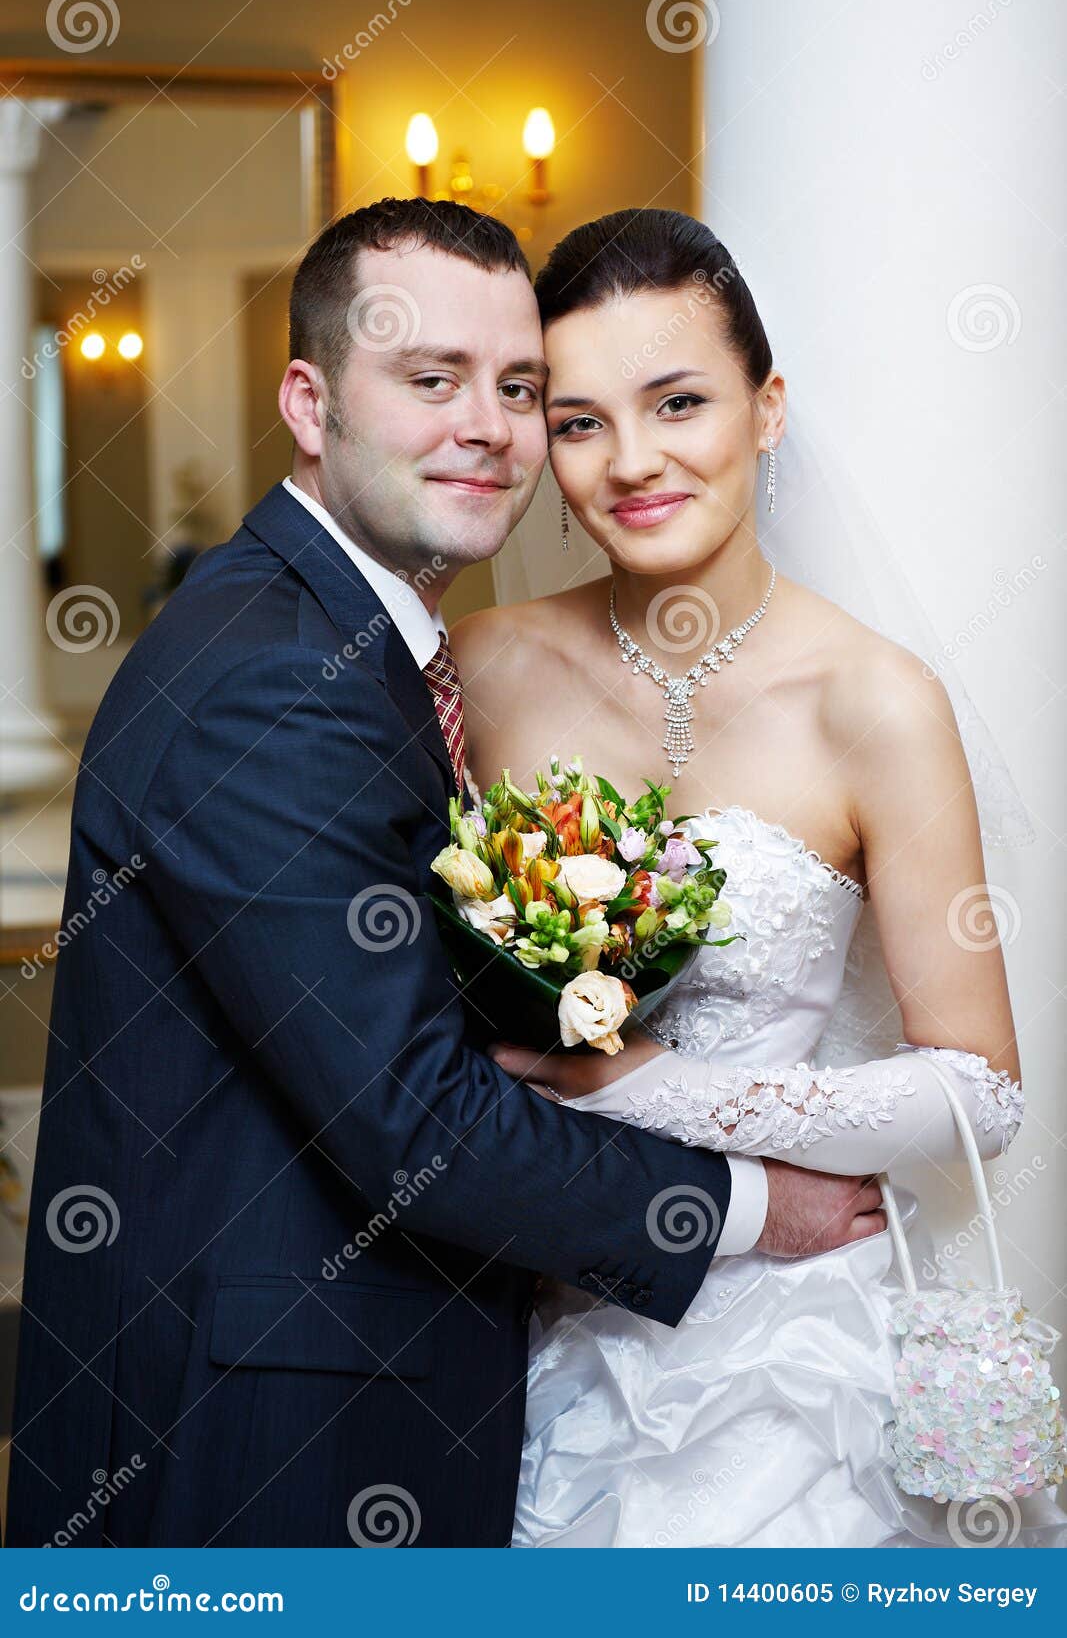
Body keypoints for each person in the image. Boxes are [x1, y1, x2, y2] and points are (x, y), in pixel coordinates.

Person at [4, 200, 875, 1550]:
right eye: (430, 379)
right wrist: (765, 1204)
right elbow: (419, 1124)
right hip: (260, 1439)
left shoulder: (371, 646)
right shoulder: (279, 681)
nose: (488, 424)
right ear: (309, 401)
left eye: (520, 388)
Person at [452, 207, 1065, 1547]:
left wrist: (654, 1086)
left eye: (679, 402)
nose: (634, 461)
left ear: (768, 407)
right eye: (579, 421)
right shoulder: (480, 666)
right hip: (531, 1318)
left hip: (790, 1359)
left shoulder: (876, 701)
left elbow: (982, 1087)